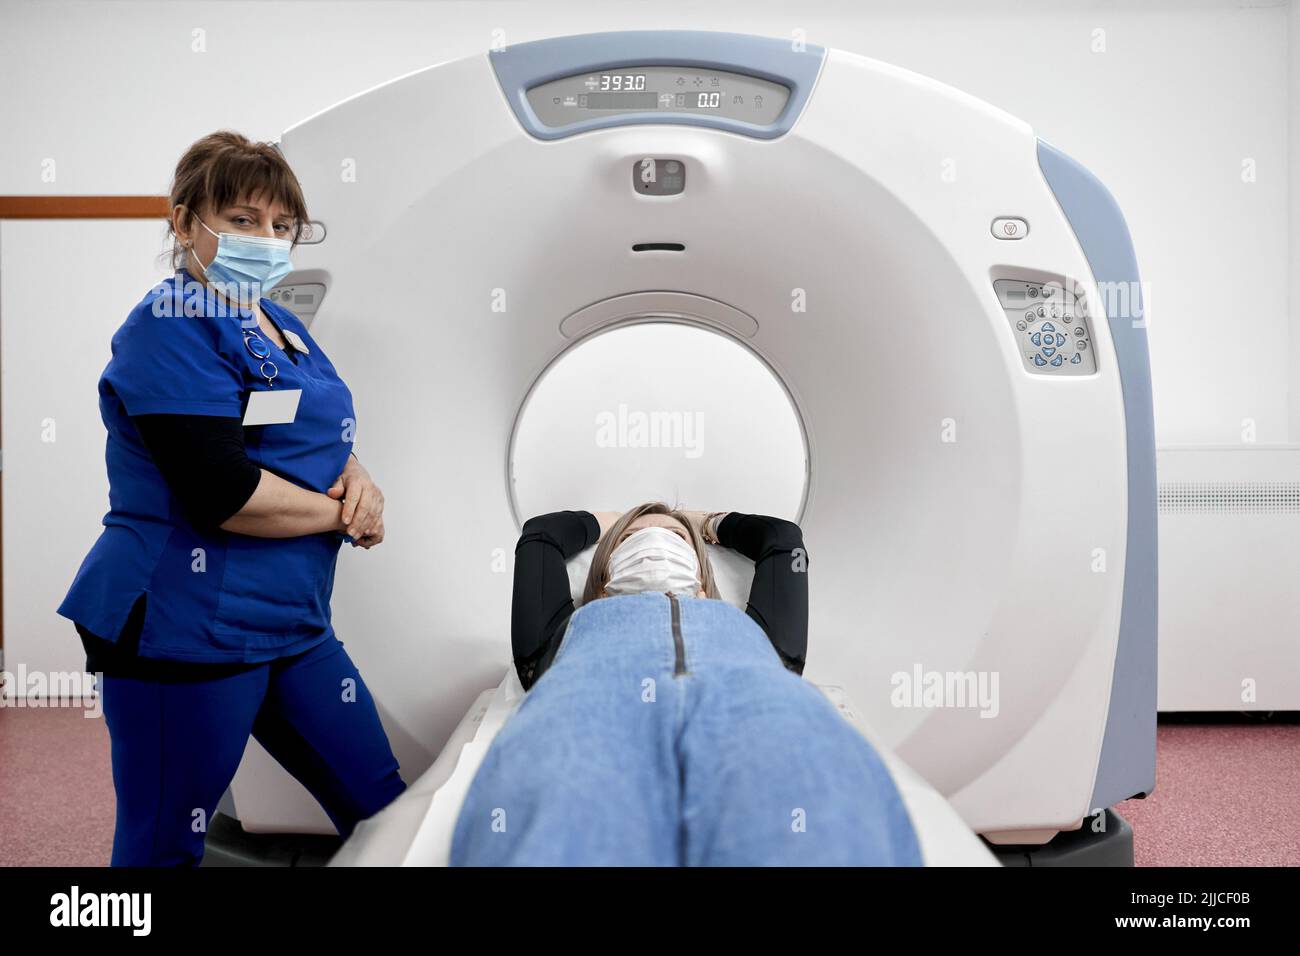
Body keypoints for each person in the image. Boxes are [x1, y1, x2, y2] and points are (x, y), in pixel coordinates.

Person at [56, 130, 405, 866]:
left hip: (292, 624)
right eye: (243, 220)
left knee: (384, 811)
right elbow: (225, 491)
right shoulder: (167, 327)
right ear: (185, 224)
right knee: (163, 845)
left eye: (283, 227)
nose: (267, 240)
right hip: (184, 628)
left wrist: (359, 475)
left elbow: (312, 431)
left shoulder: (276, 324)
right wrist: (347, 514)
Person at [450, 502, 921, 866]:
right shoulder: (555, 637)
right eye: (631, 539)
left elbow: (783, 539)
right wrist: (612, 517)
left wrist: (706, 522)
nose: (654, 541)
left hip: (756, 705)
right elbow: (542, 535)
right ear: (604, 572)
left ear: (700, 572)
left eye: (674, 538)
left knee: (823, 815)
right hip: (587, 710)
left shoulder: (765, 642)